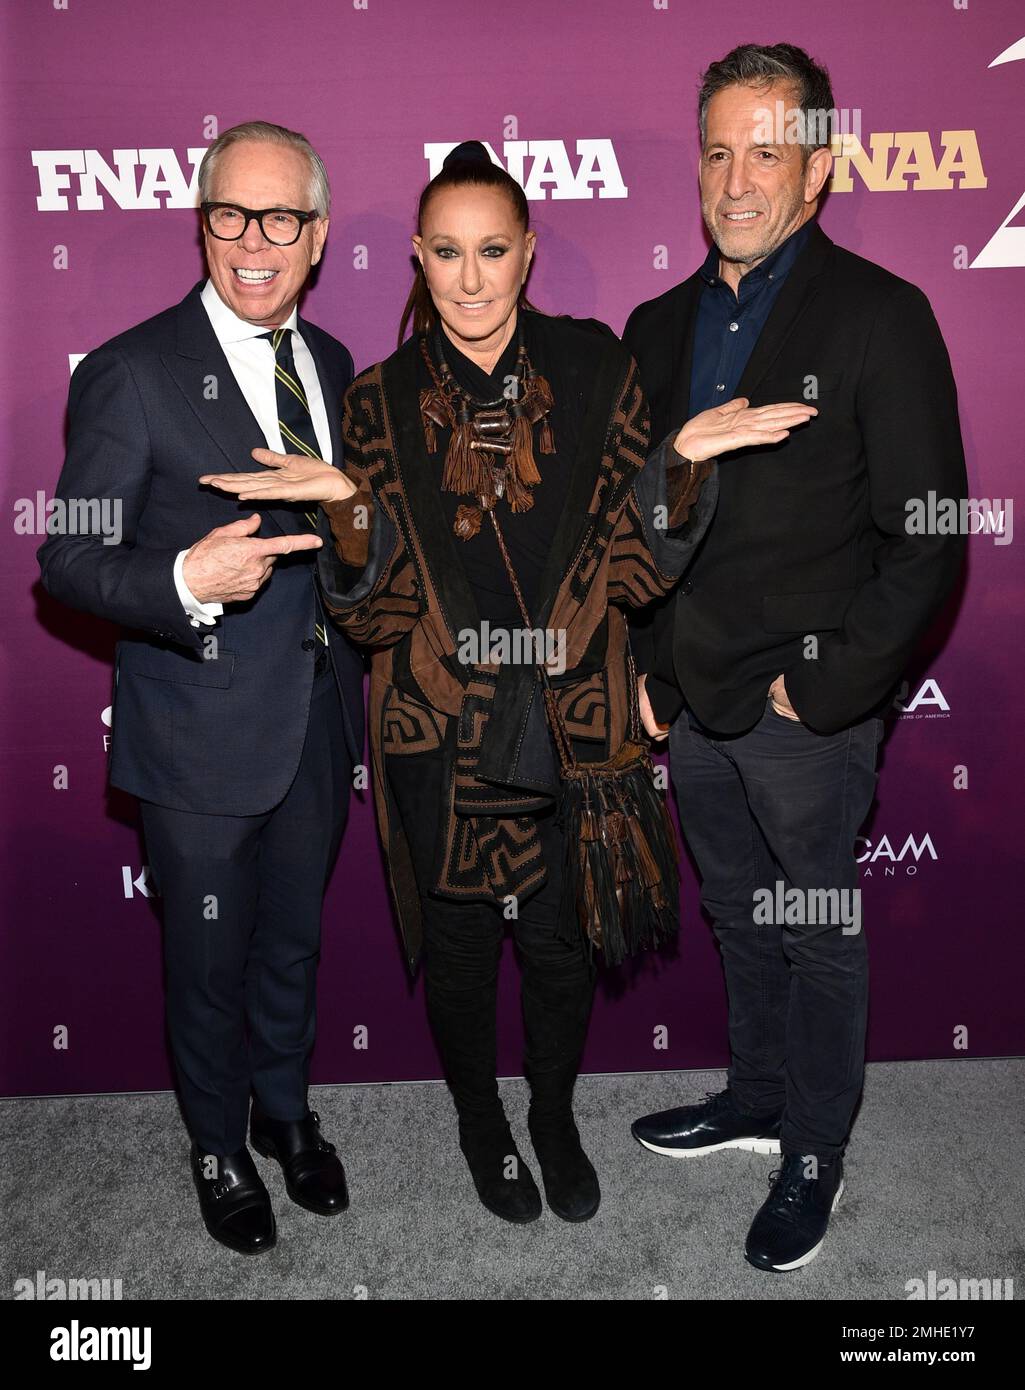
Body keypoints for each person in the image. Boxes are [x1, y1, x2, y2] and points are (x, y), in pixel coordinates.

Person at [201, 140, 814, 1225]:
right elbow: (374, 613)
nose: (472, 277)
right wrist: (346, 509)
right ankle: (480, 1118)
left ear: (527, 253)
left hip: (575, 727)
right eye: (447, 252)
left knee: (558, 943)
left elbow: (632, 567)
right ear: (415, 260)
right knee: (458, 946)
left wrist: (680, 472)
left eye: (492, 250)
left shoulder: (594, 369)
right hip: (437, 727)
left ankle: (550, 1113)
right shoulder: (379, 404)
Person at [624, 45, 968, 1271]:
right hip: (692, 698)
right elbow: (639, 521)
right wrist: (655, 675)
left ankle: (816, 1145)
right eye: (717, 150)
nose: (735, 178)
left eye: (766, 151)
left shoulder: (880, 314)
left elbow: (926, 539)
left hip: (802, 707)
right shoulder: (653, 326)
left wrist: (818, 691)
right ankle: (757, 1095)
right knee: (734, 910)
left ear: (816, 171)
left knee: (816, 927)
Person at [38, 121, 363, 1255]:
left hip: (317, 720)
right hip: (197, 730)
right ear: (202, 223)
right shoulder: (131, 371)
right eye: (231, 214)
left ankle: (283, 1113)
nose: (254, 242)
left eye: (281, 219)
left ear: (316, 236)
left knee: (292, 945)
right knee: (209, 957)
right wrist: (185, 574)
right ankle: (216, 1143)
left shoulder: (328, 364)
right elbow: (66, 554)